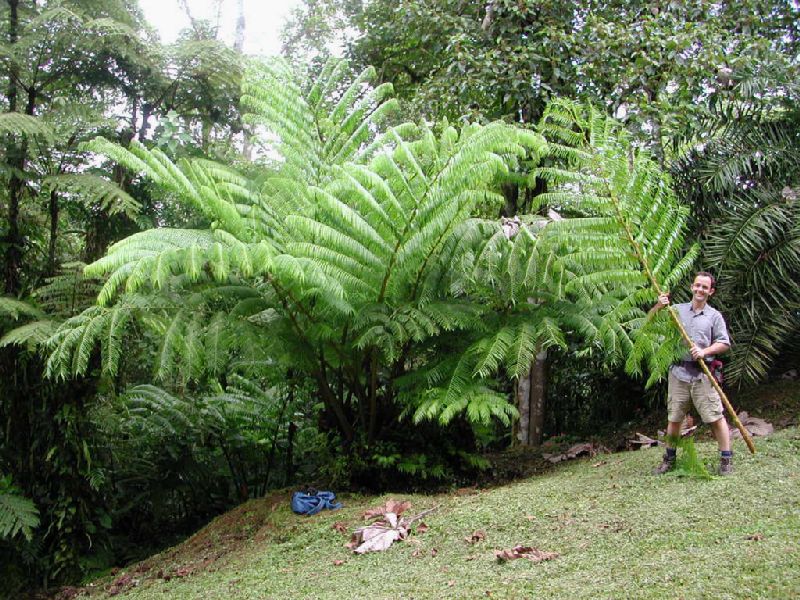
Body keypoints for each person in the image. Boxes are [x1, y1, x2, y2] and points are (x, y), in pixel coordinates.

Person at [652, 271, 733, 476]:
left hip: (703, 374)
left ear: (711, 292)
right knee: (675, 418)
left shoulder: (714, 316)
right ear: (692, 287)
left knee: (715, 417)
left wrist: (704, 351)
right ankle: (669, 459)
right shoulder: (676, 310)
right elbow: (651, 322)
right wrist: (659, 306)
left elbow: (724, 343)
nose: (700, 290)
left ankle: (726, 460)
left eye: (704, 287)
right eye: (697, 285)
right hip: (678, 372)